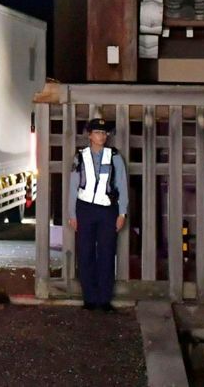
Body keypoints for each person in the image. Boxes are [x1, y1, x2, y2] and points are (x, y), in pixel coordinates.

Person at [67, 115, 128, 312]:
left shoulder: (115, 156)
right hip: (85, 209)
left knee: (107, 253)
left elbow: (122, 185)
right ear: (89, 135)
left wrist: (122, 213)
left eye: (104, 133)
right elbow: (73, 186)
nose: (101, 136)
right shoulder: (80, 157)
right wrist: (72, 214)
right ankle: (89, 298)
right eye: (97, 133)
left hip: (108, 209)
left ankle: (104, 299)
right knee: (85, 253)